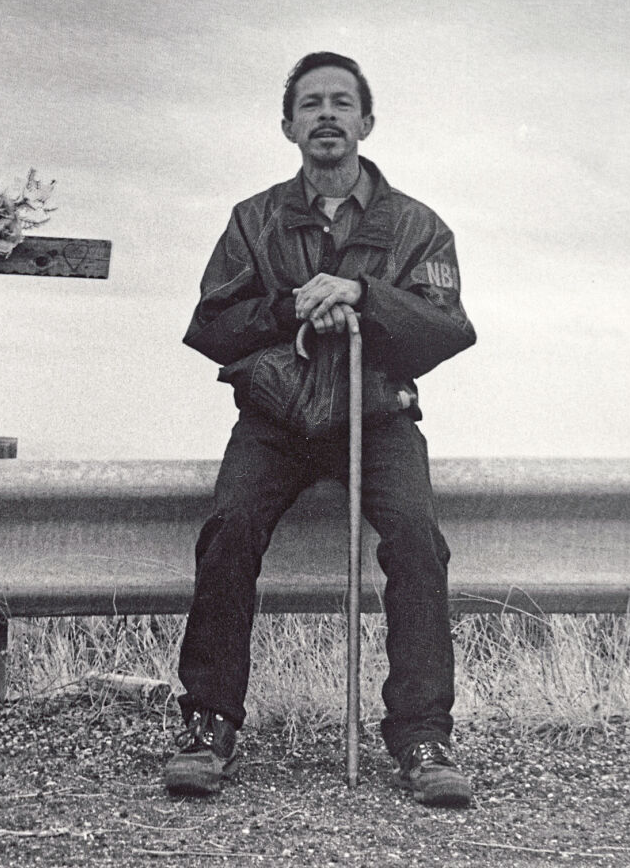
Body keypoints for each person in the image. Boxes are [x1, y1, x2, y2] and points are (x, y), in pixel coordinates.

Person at [164, 52, 477, 807]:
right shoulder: (253, 220)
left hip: (377, 415)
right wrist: (289, 306)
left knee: (414, 540)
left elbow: (446, 331)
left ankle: (422, 738)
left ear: (366, 122)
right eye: (311, 105)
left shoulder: (416, 226)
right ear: (288, 126)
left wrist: (363, 294)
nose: (327, 115)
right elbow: (208, 327)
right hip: (274, 418)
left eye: (341, 103)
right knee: (230, 527)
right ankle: (208, 725)